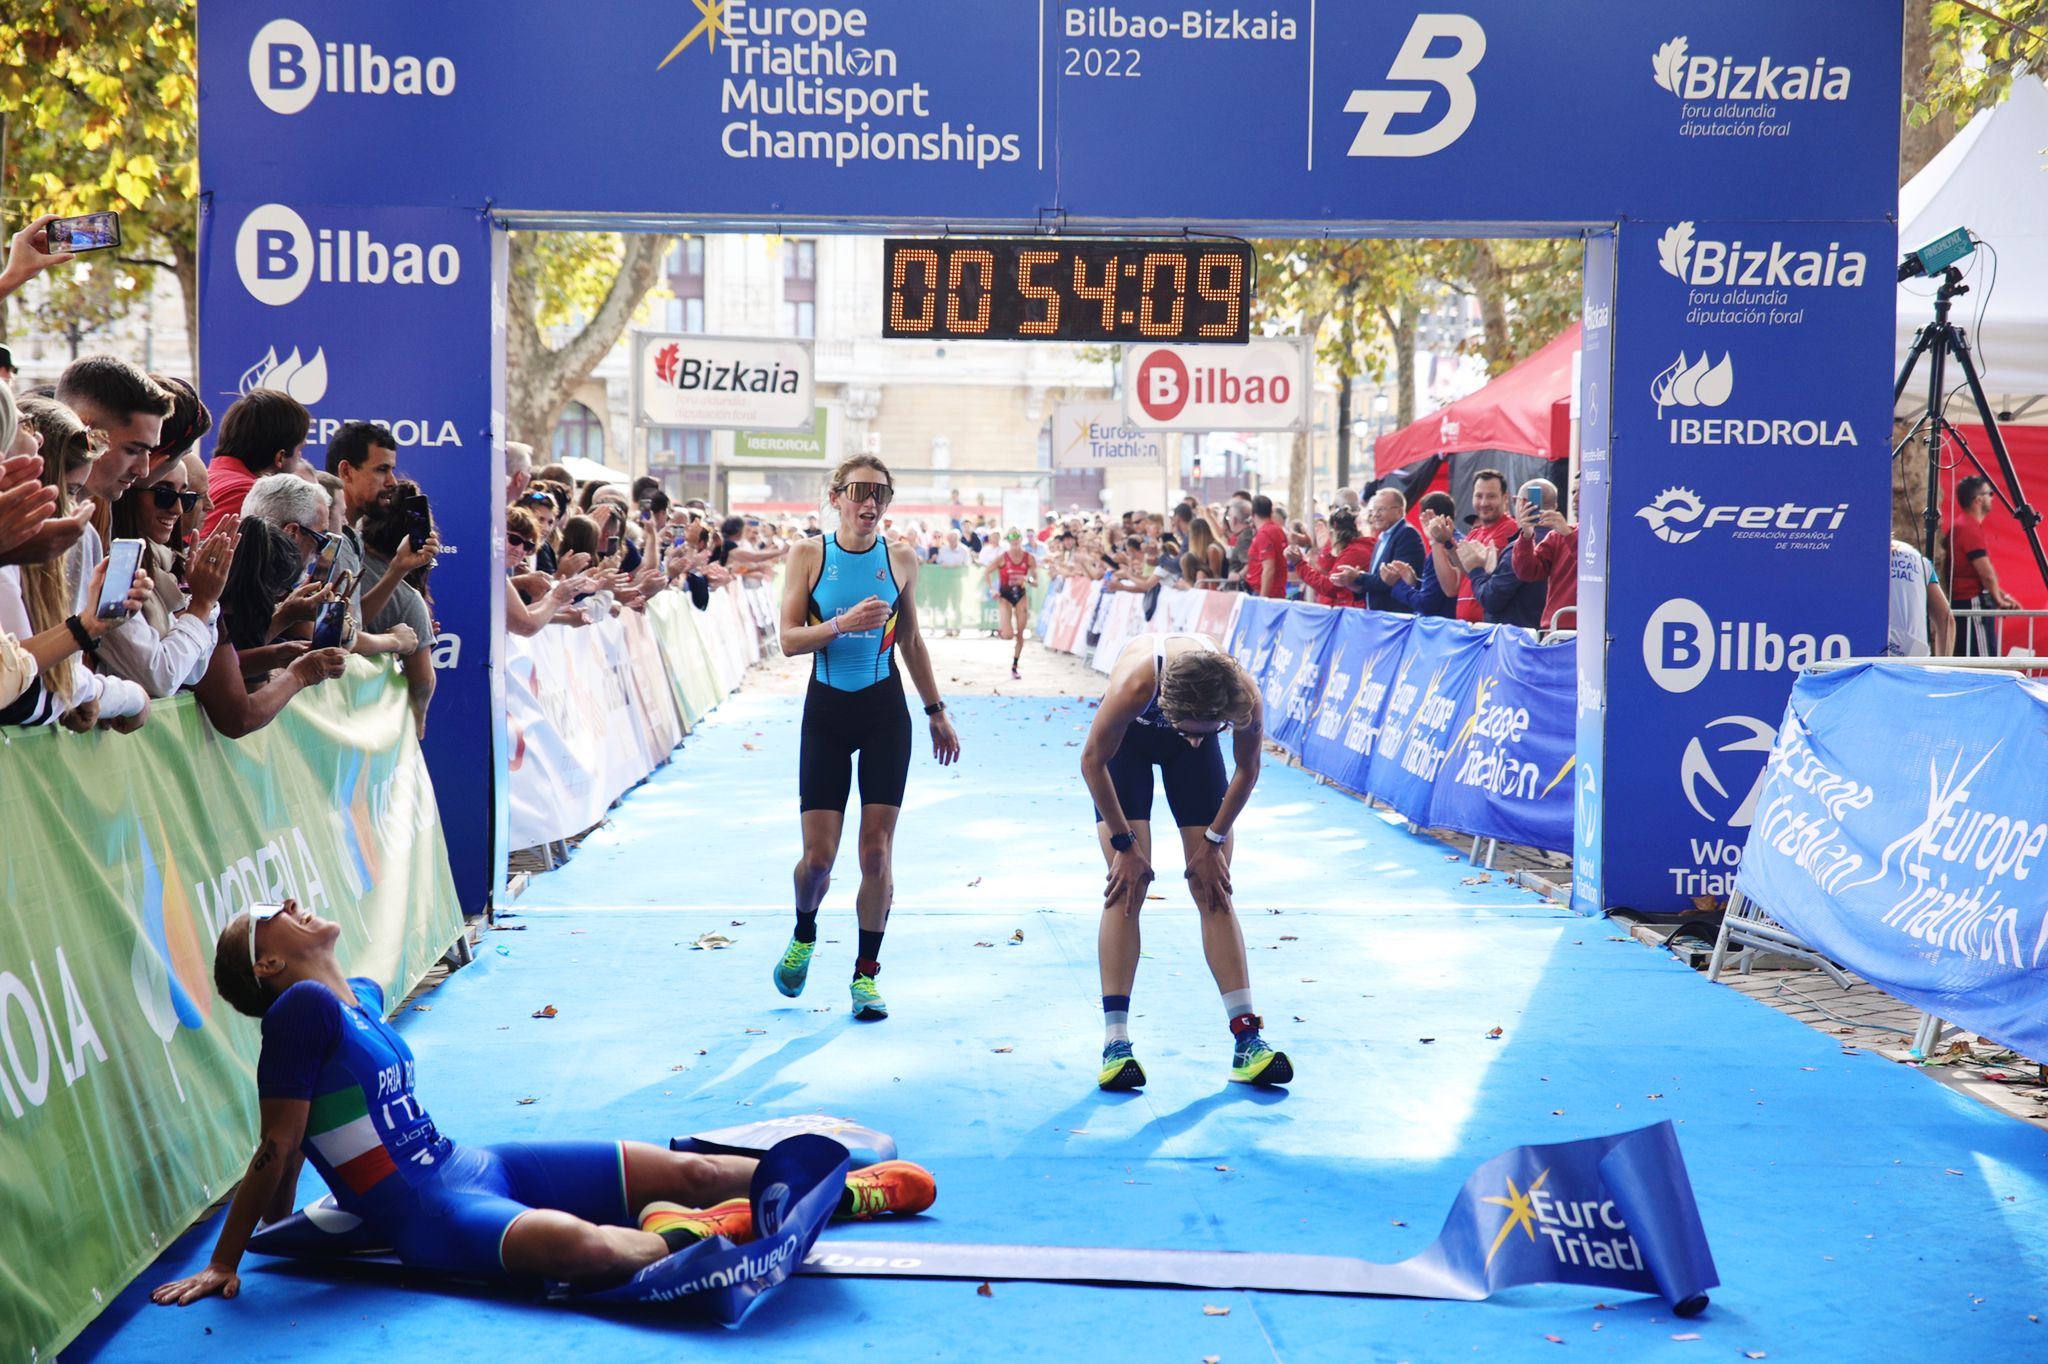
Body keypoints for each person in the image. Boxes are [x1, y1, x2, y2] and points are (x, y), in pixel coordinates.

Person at [149, 899, 936, 1307]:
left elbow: (298, 1166)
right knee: (592, 1252)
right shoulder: (297, 1014)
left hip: (477, 1162)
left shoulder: (357, 996)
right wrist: (227, 1259)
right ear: (272, 961)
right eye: (268, 914)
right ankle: (704, 1231)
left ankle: (847, 1193)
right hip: (431, 1215)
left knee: (688, 1173)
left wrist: (288, 1235)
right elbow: (276, 1148)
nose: (290, 899)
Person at [773, 455, 961, 1020]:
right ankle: (805, 930)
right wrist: (841, 625)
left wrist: (935, 709)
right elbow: (787, 640)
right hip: (827, 713)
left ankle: (865, 976)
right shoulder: (809, 554)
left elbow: (912, 642)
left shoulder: (900, 558)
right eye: (859, 491)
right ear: (836, 496)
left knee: (876, 854)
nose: (870, 503)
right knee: (819, 861)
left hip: (885, 712)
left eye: (881, 493)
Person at [1079, 633, 1290, 1091]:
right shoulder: (1136, 686)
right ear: (1171, 713)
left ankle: (1247, 1039)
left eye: (1208, 734)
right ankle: (1116, 1043)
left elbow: (1248, 770)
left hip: (1192, 720)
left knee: (1214, 887)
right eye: (1189, 732)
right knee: (1126, 886)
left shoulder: (1241, 696)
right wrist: (1125, 844)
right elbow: (1093, 762)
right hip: (1128, 748)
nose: (1198, 743)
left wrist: (1213, 842)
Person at [103, 449, 231, 696]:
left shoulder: (163, 566)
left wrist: (203, 602)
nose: (177, 509)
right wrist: (201, 605)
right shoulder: (114, 566)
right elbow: (162, 677)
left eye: (186, 497)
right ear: (129, 491)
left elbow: (191, 671)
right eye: (163, 493)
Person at [360, 481, 441, 737]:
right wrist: (418, 722)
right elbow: (422, 682)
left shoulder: (340, 556)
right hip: (372, 725)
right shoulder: (408, 600)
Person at [200, 389, 307, 537]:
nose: (301, 458)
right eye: (300, 450)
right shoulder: (250, 495)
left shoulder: (210, 479)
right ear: (280, 457)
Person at [1948, 475, 2020, 656]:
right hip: (1971, 602)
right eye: (1990, 493)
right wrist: (1999, 599)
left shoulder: (1962, 525)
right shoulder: (1969, 528)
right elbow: (1985, 572)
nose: (1992, 497)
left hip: (1965, 600)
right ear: (1978, 500)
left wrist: (2002, 595)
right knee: (1983, 658)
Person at [1333, 489, 1425, 612]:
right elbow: (1376, 579)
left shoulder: (1407, 534)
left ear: (1399, 511)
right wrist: (1355, 585)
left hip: (1396, 617)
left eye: (1381, 509)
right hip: (1377, 616)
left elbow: (1392, 579)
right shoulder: (1383, 537)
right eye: (1373, 510)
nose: (1375, 514)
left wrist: (1359, 577)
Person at [1508, 479, 1578, 630]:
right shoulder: (1556, 536)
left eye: (1583, 491)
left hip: (1589, 635)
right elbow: (1527, 572)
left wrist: (1568, 534)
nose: (1576, 498)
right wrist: (1526, 536)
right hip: (1554, 631)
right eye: (1573, 492)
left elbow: (1596, 567)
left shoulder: (1607, 535)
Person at [1382, 491, 1463, 618]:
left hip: (1441, 628)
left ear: (1426, 518)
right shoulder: (1463, 542)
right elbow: (1438, 591)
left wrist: (1397, 584)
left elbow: (1427, 604)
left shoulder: (1439, 550)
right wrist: (1415, 582)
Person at [1290, 505, 1374, 605]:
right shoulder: (1352, 547)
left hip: (1352, 609)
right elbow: (1326, 569)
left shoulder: (1356, 551)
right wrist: (1317, 548)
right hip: (1345, 607)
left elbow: (1328, 586)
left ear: (1333, 530)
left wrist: (1299, 563)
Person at [1890, 537, 1955, 657]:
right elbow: (1946, 619)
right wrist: (1943, 670)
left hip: (1873, 660)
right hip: (1916, 658)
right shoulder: (1918, 558)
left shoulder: (1859, 556)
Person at [988, 530, 1038, 679]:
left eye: (1017, 537)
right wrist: (992, 590)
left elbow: (1036, 582)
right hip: (1005, 597)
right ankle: (1002, 629)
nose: (1015, 540)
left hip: (1021, 597)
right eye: (1012, 538)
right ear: (1008, 541)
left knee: (1020, 634)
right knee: (1009, 635)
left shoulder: (1029, 558)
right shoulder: (1002, 558)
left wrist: (1027, 579)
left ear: (1021, 539)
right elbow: (987, 571)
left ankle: (1014, 666)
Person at [1245, 494, 1289, 599]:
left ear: (1253, 513)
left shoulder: (1264, 534)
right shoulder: (1278, 530)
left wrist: (1263, 599)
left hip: (1265, 592)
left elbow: (1269, 569)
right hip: (1277, 591)